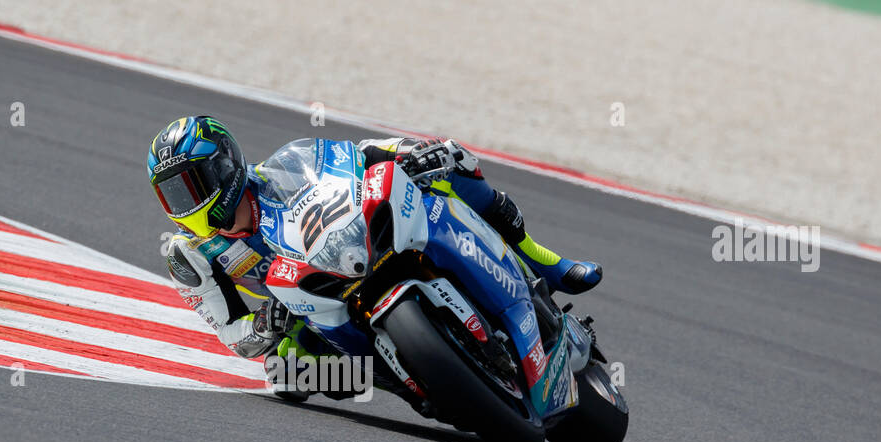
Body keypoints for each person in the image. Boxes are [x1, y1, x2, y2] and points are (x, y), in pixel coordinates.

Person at [146, 115, 602, 363]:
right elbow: (232, 335)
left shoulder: (286, 165)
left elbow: (361, 154)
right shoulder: (190, 254)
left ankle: (546, 263)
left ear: (224, 166)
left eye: (192, 184)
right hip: (308, 311)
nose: (187, 202)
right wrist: (266, 326)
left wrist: (414, 152)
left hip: (363, 246)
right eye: (173, 194)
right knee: (286, 374)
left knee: (452, 162)